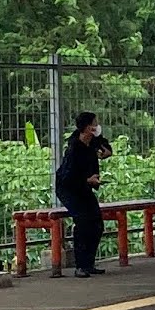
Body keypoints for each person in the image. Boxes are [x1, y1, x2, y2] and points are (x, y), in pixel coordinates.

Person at [54, 112, 111, 278]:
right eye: (95, 123)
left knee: (97, 223)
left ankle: (89, 263)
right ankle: (80, 265)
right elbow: (67, 177)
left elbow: (106, 147)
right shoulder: (74, 149)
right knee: (83, 221)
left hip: (85, 187)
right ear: (88, 128)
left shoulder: (92, 141)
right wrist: (87, 180)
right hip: (69, 189)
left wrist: (105, 150)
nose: (98, 125)